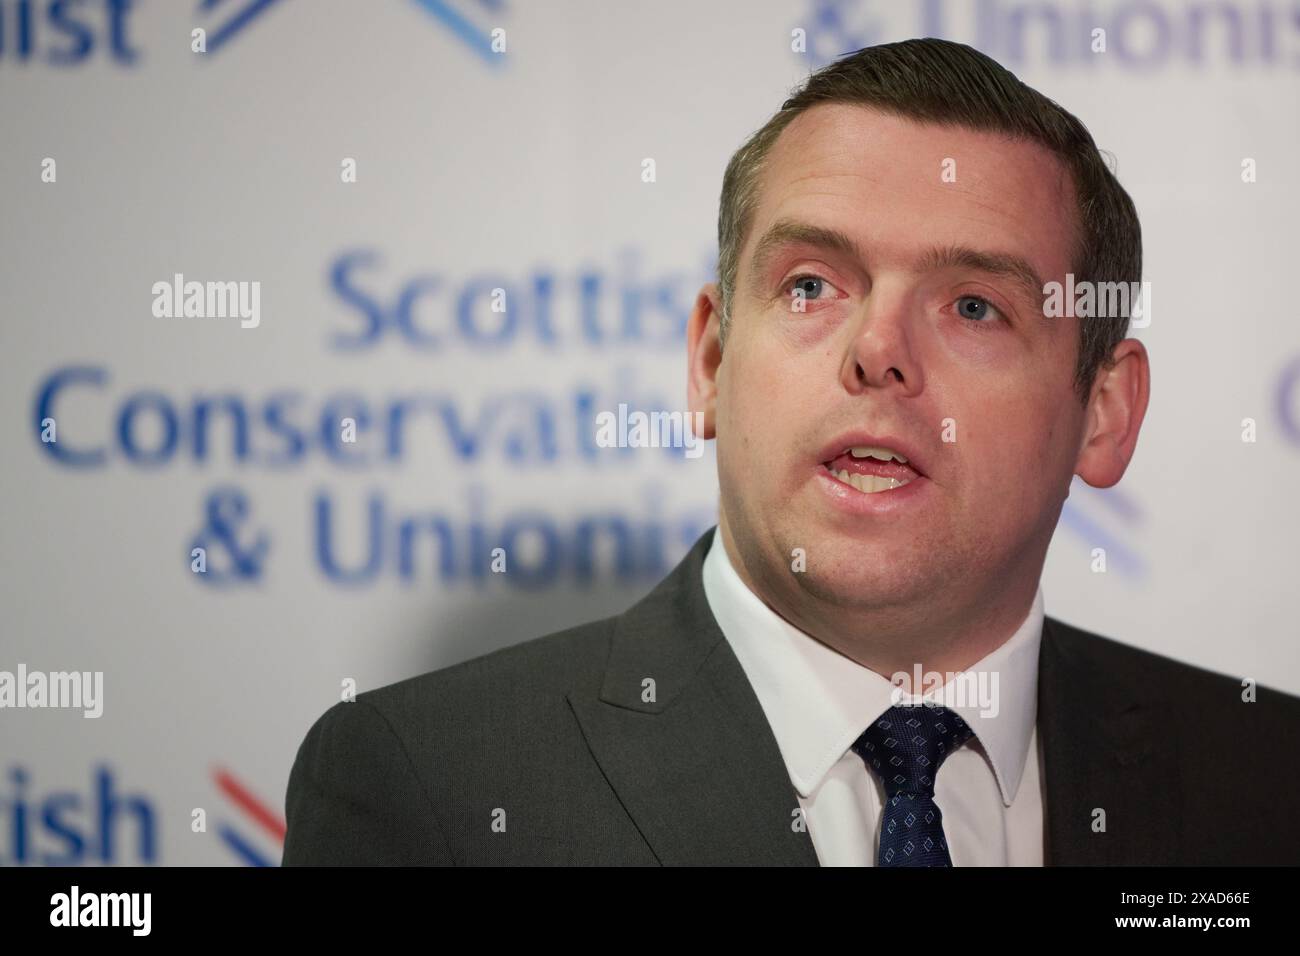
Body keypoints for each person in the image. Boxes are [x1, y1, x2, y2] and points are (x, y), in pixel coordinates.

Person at [282, 38, 1300, 866]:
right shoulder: (430, 784)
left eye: (975, 306)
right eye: (811, 285)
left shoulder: (1266, 777)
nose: (877, 352)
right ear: (711, 361)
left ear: (1104, 411)